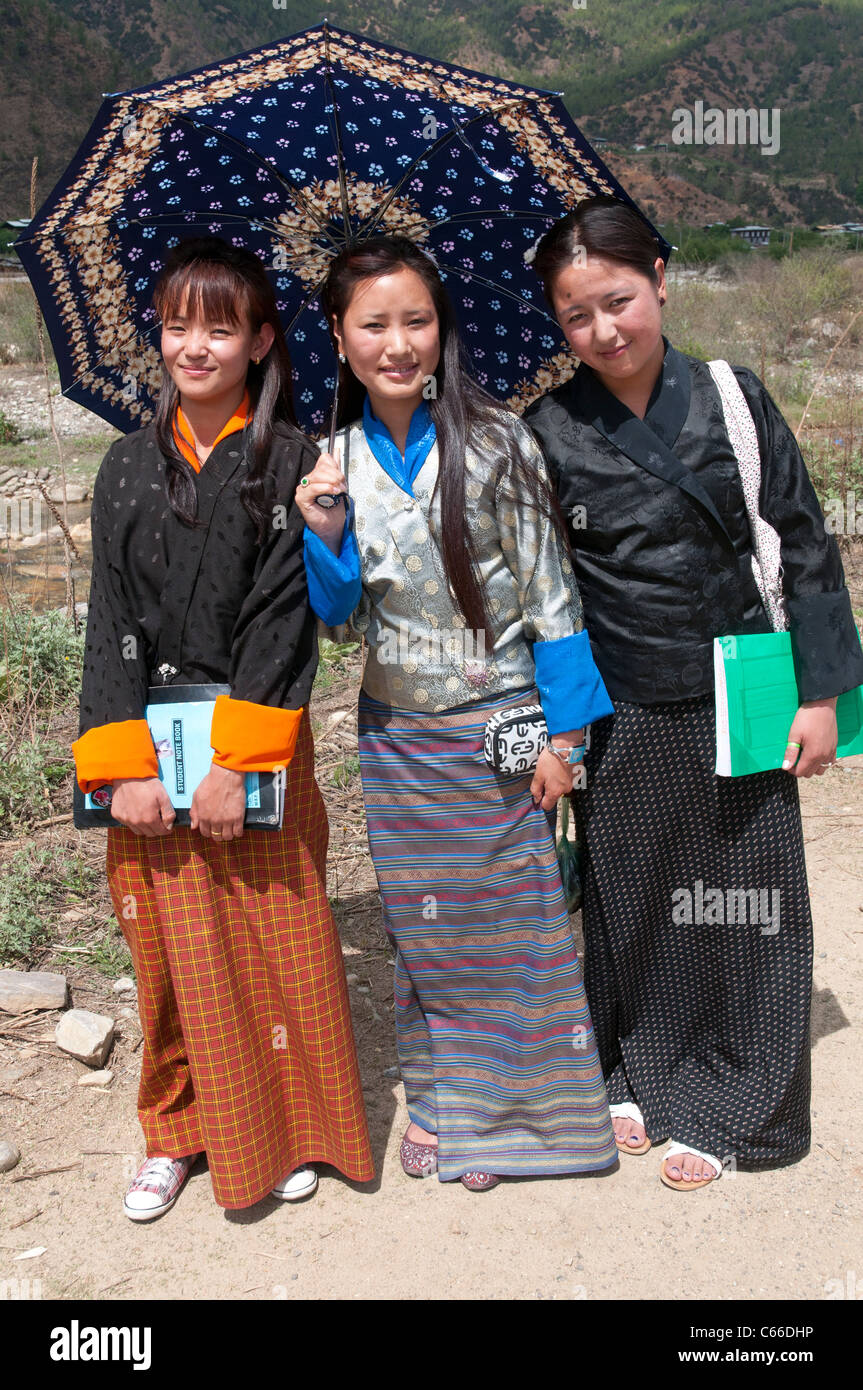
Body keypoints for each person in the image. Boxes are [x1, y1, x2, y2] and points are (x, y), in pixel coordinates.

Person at [522, 195, 863, 1189]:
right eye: (576, 315)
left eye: (619, 300)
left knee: (743, 904)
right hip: (619, 704)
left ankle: (740, 1098)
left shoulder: (732, 396)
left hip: (738, 690)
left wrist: (817, 697)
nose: (604, 330)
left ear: (660, 280)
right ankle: (641, 1068)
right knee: (633, 901)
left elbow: (802, 541)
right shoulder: (545, 427)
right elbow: (540, 591)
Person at [294, 235, 618, 1191]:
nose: (398, 344)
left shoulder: (500, 440)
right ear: (339, 337)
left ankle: (527, 1122)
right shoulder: (334, 460)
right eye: (374, 324)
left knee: (517, 926)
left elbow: (552, 599)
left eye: (416, 321)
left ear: (442, 329)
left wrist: (564, 739)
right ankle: (445, 1104)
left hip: (499, 727)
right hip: (397, 739)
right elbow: (346, 624)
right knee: (427, 933)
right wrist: (323, 534)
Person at [72, 237, 373, 1220]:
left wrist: (234, 769)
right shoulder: (124, 466)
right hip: (144, 751)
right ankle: (173, 1129)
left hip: (254, 735)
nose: (192, 346)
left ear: (259, 339)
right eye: (175, 324)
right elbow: (109, 620)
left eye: (217, 326)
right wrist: (122, 770)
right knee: (165, 952)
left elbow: (286, 621)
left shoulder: (294, 463)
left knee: (271, 940)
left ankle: (281, 1127)